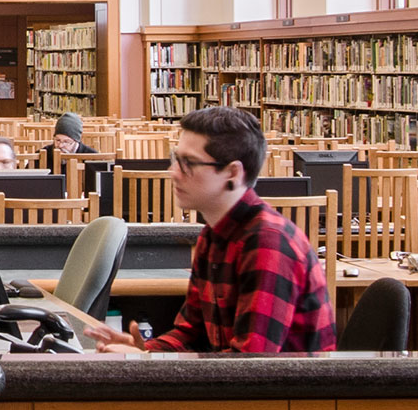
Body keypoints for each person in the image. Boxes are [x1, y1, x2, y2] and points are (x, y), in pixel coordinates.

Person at [88, 105, 332, 355]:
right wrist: (146, 351)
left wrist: (152, 361)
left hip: (291, 392)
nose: (173, 173)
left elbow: (252, 363)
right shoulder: (212, 235)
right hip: (238, 387)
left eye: (188, 163)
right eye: (175, 160)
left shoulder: (267, 243)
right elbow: (191, 333)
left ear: (233, 173)